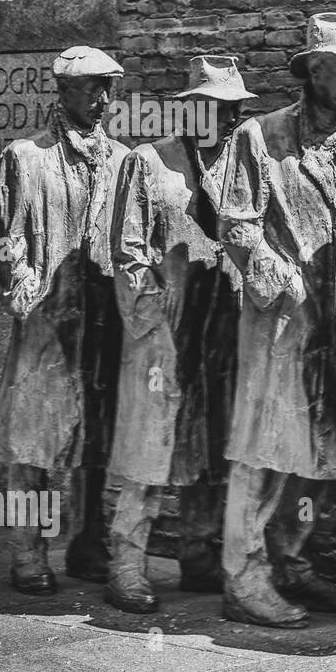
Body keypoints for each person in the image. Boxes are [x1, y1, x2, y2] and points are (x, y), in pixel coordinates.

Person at [215, 13, 336, 628]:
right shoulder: (260, 137)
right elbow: (236, 224)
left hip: (329, 318)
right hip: (278, 321)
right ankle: (244, 576)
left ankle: (289, 561)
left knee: (317, 453)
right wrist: (279, 280)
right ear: (314, 69)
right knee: (262, 450)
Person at [105, 56, 253, 613]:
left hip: (223, 322)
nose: (227, 117)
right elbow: (127, 250)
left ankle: (199, 552)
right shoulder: (150, 162)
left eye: (234, 108)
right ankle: (126, 559)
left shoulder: (240, 165)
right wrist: (153, 317)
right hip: (165, 329)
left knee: (209, 445)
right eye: (216, 107)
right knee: (150, 451)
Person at [0, 45, 130, 594]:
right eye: (93, 87)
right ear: (64, 89)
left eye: (108, 88)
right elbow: (7, 239)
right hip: (48, 321)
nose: (102, 98)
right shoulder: (26, 156)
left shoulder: (120, 159)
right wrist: (25, 289)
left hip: (101, 320)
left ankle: (89, 541)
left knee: (94, 435)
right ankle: (28, 551)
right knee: (34, 438)